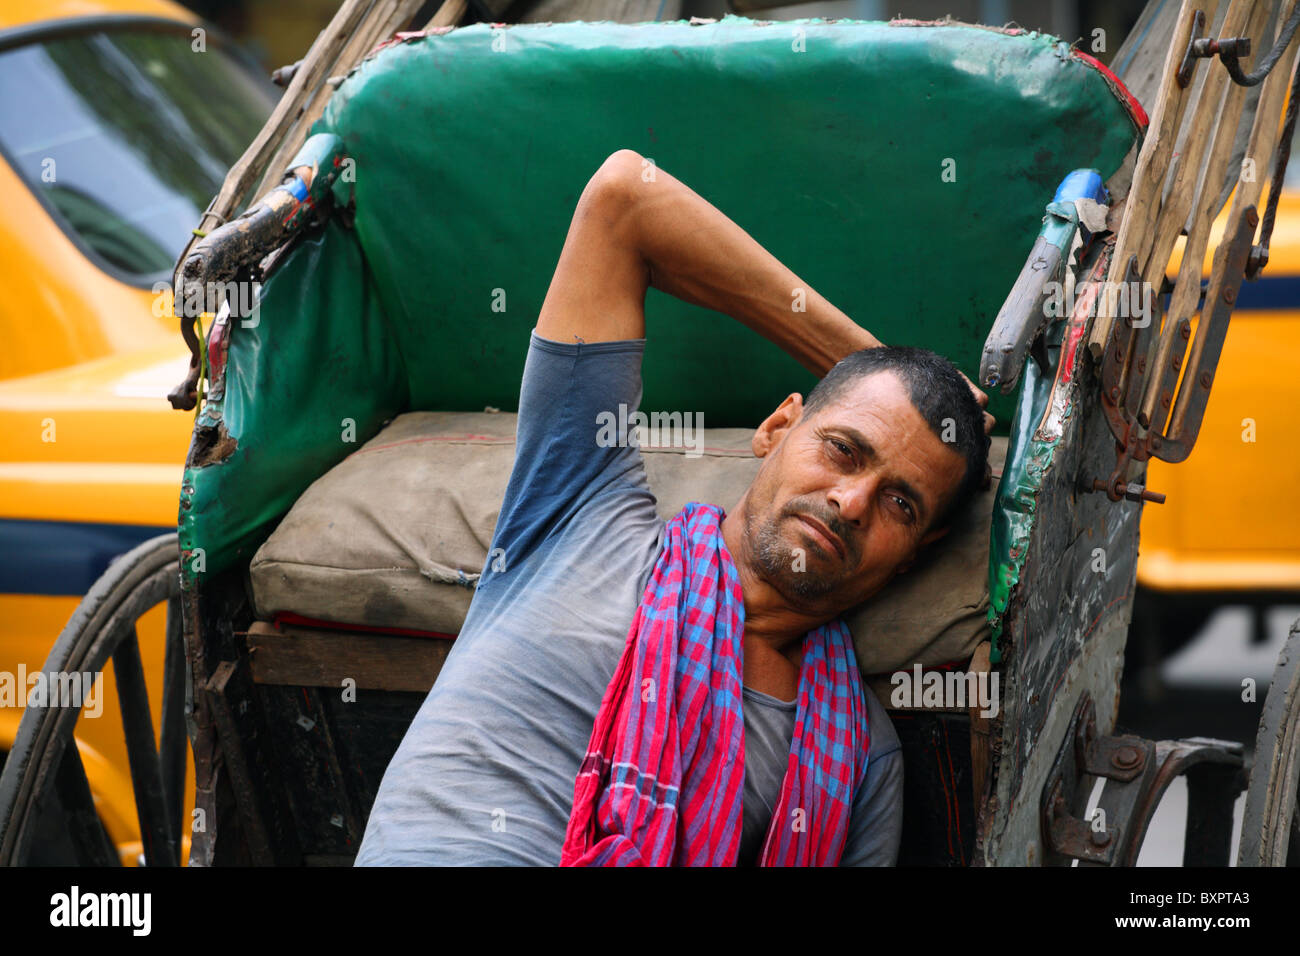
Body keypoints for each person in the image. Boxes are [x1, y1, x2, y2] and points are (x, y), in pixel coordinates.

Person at [355, 149, 992, 866]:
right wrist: (890, 368)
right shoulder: (579, 509)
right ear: (777, 429)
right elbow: (626, 198)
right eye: (843, 448)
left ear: (920, 553)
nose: (850, 502)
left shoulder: (858, 756)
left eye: (900, 503)